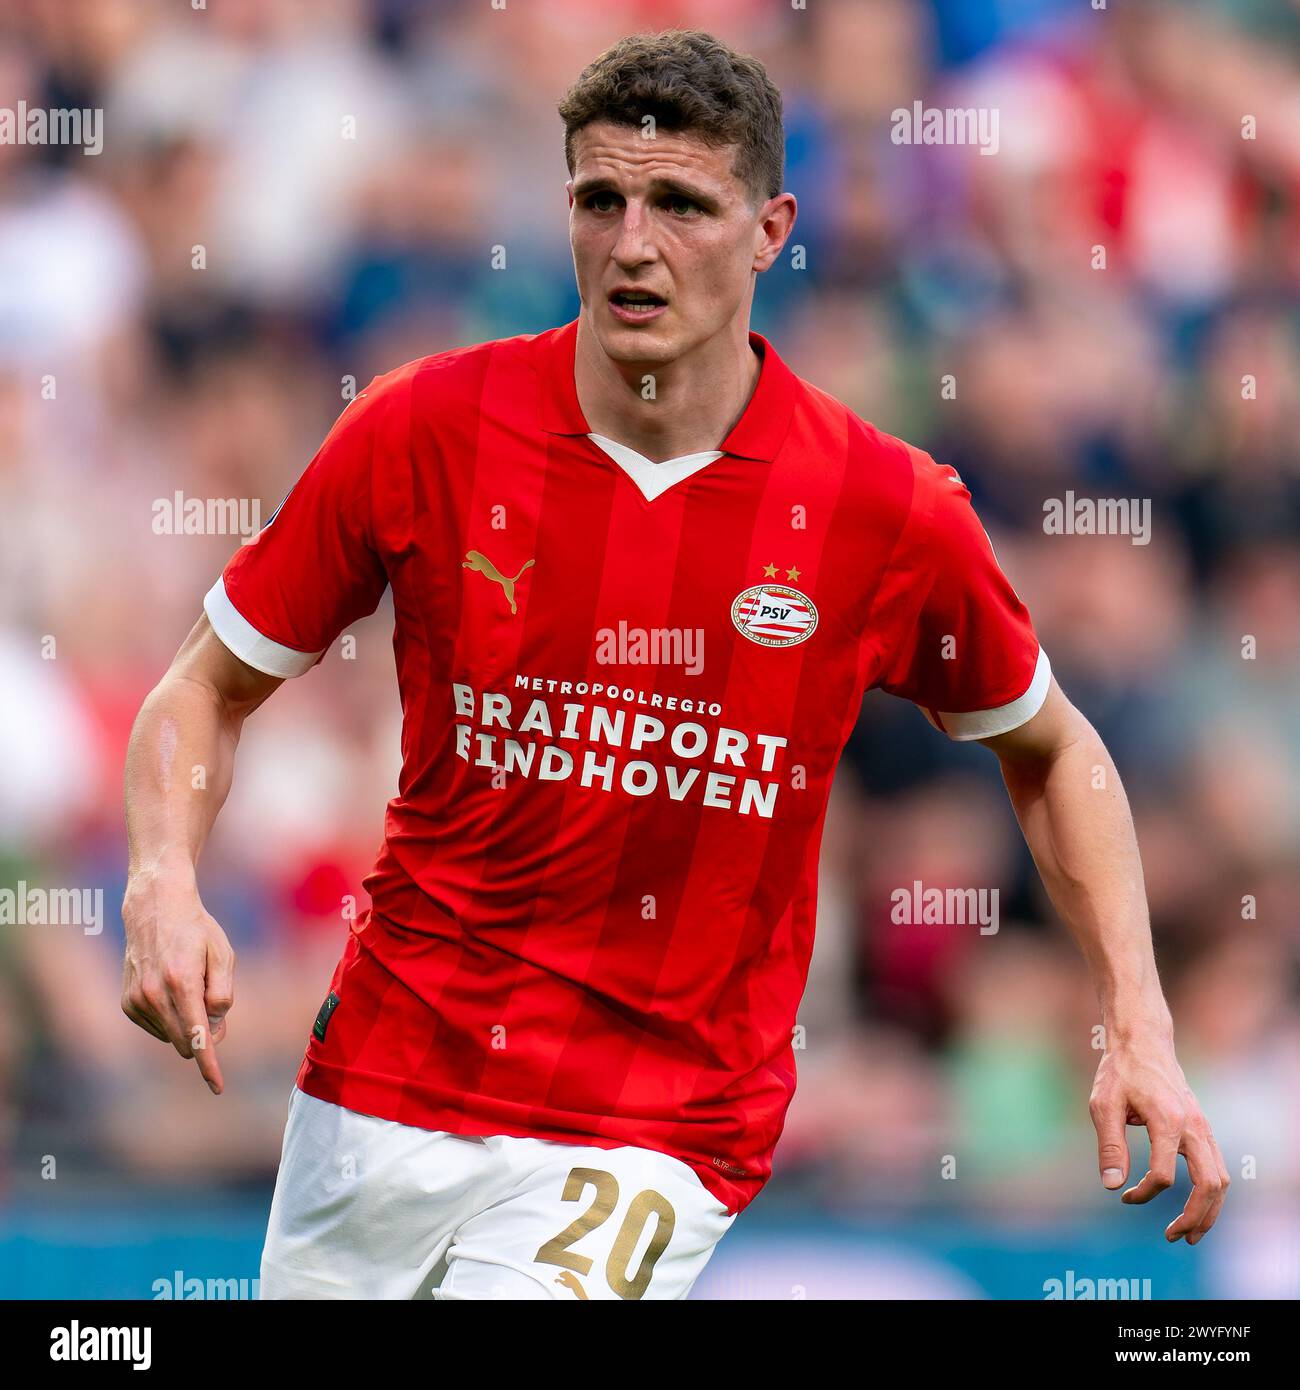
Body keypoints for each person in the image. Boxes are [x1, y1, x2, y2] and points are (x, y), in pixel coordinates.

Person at [121, 29, 1228, 1300]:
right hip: (381, 1081)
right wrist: (162, 874)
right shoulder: (426, 428)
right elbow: (206, 683)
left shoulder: (882, 508)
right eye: (602, 199)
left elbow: (1053, 748)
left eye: (682, 205)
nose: (633, 243)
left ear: (770, 228)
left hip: (657, 1122)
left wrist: (1134, 1017)